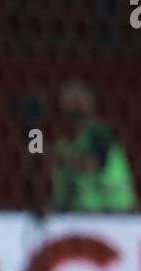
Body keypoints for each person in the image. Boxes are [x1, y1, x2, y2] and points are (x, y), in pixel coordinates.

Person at [51, 79, 135, 212]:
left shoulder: (99, 133)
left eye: (76, 99)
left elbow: (94, 164)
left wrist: (63, 157)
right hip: (82, 208)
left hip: (112, 206)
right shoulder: (65, 141)